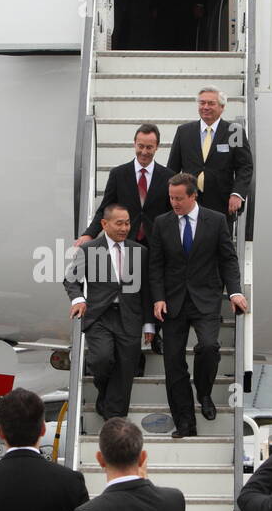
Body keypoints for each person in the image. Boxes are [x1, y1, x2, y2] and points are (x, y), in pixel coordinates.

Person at [149, 173, 248, 437]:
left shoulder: (215, 221)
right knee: (173, 362)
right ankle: (185, 423)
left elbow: (228, 260)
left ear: (193, 196)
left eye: (179, 198)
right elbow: (155, 265)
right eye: (171, 198)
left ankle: (203, 392)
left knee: (208, 346)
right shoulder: (162, 223)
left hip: (206, 298)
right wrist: (158, 297)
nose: (174, 203)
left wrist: (235, 292)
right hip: (173, 301)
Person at [66, 203, 156, 420]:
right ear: (105, 224)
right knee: (101, 360)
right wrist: (78, 299)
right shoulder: (89, 249)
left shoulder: (140, 251)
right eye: (119, 223)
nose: (125, 228)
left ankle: (114, 417)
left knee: (126, 369)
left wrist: (149, 323)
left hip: (130, 317)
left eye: (127, 223)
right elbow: (70, 279)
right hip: (100, 316)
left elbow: (146, 291)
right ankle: (105, 394)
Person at [166, 88, 253, 225]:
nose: (205, 107)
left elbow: (245, 167)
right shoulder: (184, 131)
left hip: (221, 204)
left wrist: (237, 194)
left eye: (211, 103)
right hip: (189, 201)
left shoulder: (234, 132)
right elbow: (172, 168)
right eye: (202, 103)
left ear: (222, 107)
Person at [77, 125, 175, 246]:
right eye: (141, 146)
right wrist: (89, 234)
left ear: (157, 147)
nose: (144, 152)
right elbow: (105, 209)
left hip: (156, 245)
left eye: (149, 147)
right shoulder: (118, 174)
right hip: (124, 243)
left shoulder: (168, 177)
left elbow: (173, 213)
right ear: (134, 144)